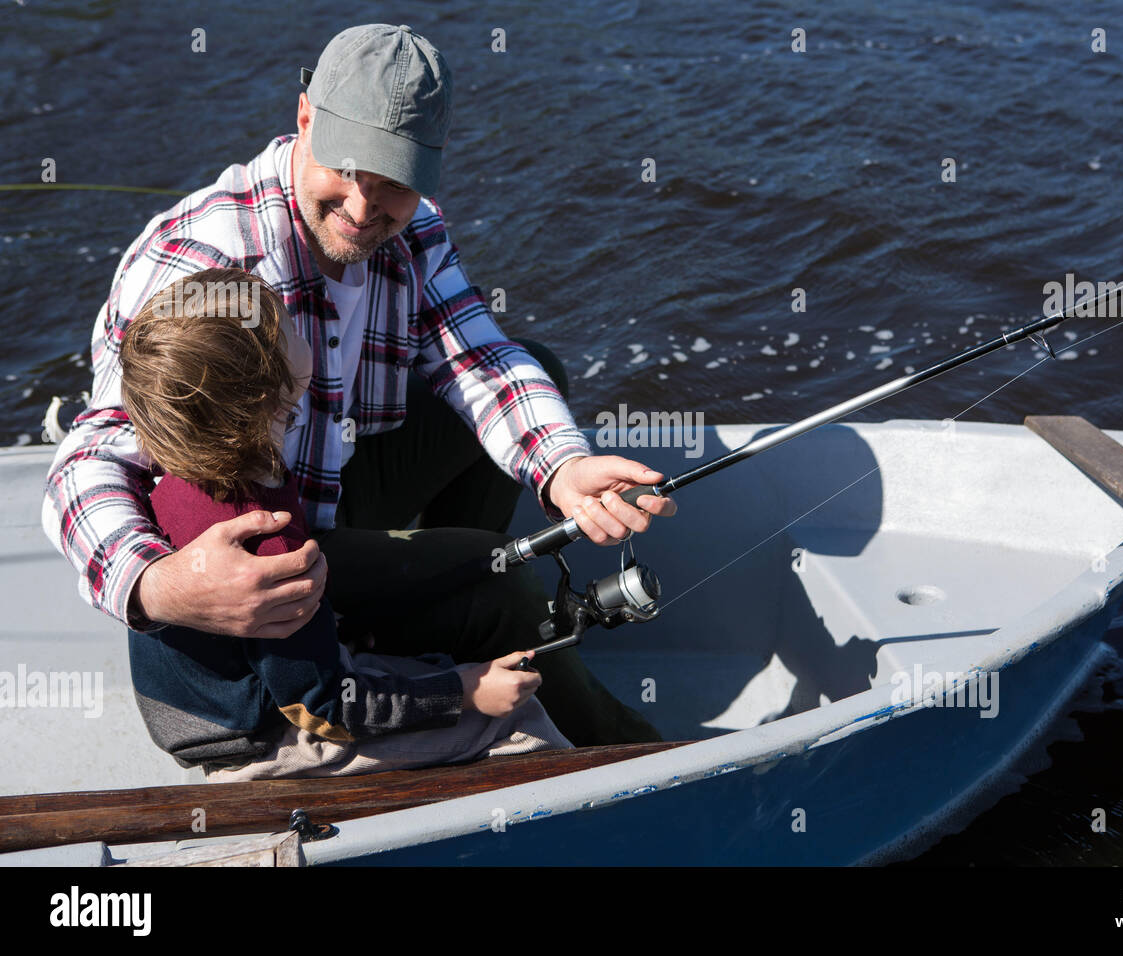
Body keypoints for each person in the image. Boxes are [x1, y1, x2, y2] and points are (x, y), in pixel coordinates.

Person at [42, 22, 675, 747]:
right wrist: (160, 586)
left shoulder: (416, 231)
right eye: (346, 169)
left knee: (535, 368)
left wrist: (563, 466)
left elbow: (480, 360)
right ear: (305, 117)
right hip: (275, 533)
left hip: (337, 480)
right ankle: (631, 752)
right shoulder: (201, 266)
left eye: (392, 183)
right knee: (505, 588)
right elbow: (88, 460)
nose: (362, 206)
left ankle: (410, 620)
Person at [118, 268, 571, 779]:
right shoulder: (269, 551)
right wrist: (464, 692)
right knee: (519, 721)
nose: (302, 329)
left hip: (215, 709)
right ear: (264, 390)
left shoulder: (183, 475)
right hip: (262, 741)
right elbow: (326, 709)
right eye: (287, 327)